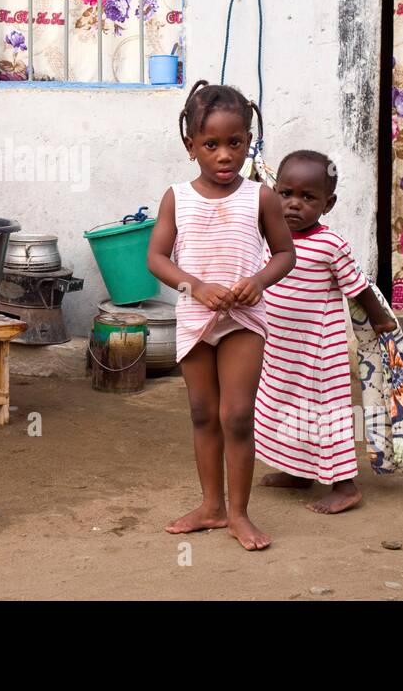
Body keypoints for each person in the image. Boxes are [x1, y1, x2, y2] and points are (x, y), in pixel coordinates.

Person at [146, 80, 296, 551]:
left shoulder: (261, 198)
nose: (224, 155)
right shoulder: (177, 197)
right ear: (191, 147)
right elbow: (157, 258)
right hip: (195, 318)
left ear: (249, 143)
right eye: (211, 145)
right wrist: (196, 287)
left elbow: (284, 253)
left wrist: (259, 282)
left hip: (243, 323)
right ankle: (211, 506)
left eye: (235, 143)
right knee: (201, 413)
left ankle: (238, 513)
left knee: (236, 416)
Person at [254, 149, 403, 513]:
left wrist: (381, 320)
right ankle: (298, 470)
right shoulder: (269, 236)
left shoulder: (330, 245)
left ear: (328, 203)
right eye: (286, 193)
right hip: (280, 349)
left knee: (328, 416)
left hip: (320, 352)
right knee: (283, 406)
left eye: (308, 197)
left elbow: (359, 286)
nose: (293, 205)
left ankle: (345, 486)